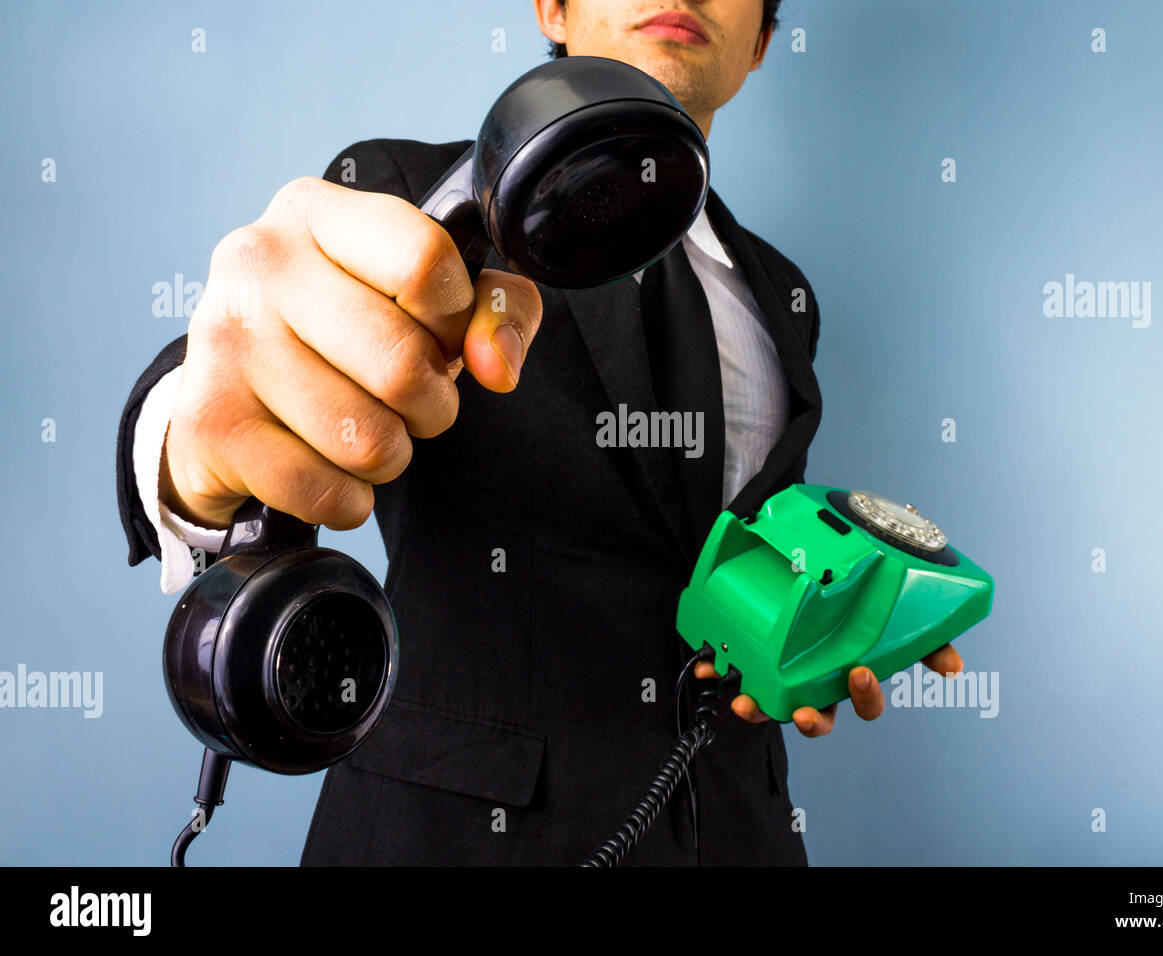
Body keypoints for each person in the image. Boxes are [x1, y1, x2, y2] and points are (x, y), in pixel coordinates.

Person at [115, 0, 962, 865]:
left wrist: (806, 640)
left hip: (739, 828)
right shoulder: (404, 194)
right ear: (552, 6)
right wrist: (192, 447)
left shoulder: (785, 294)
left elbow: (736, 557)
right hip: (452, 839)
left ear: (759, 47)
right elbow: (244, 355)